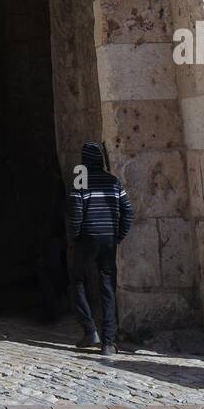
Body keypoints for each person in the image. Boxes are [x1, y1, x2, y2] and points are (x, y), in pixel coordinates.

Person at [67, 141, 134, 356]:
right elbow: (128, 212)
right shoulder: (113, 181)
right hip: (109, 239)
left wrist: (75, 237)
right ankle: (108, 342)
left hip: (87, 238)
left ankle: (89, 330)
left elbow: (76, 211)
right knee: (107, 287)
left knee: (77, 280)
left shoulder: (81, 178)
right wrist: (118, 236)